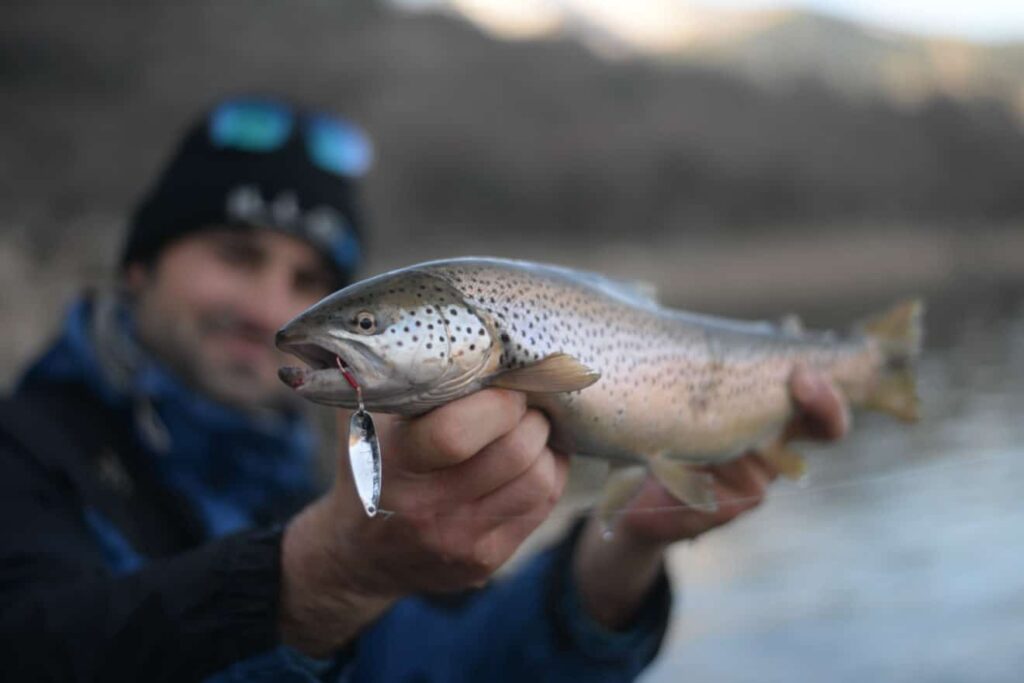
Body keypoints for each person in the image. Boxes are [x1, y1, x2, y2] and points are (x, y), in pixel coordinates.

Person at [0, 97, 848, 682]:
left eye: (306, 276)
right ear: (138, 265)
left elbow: (445, 666)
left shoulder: (330, 457)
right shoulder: (25, 454)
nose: (267, 307)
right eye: (235, 254)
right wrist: (326, 573)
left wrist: (627, 543)